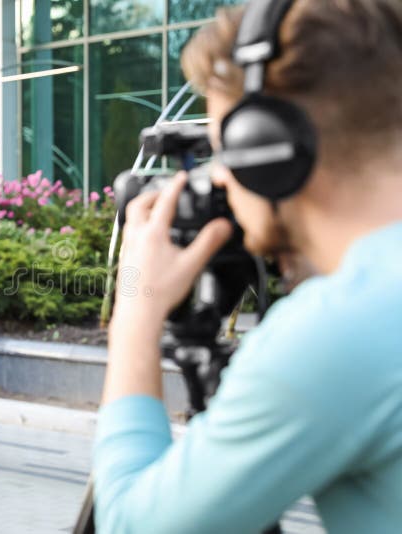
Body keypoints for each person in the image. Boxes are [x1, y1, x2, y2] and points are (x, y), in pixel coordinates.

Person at [93, 1, 402, 533]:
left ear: (270, 152)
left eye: (223, 154)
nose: (221, 183)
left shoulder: (334, 332)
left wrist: (135, 310)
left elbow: (131, 525)